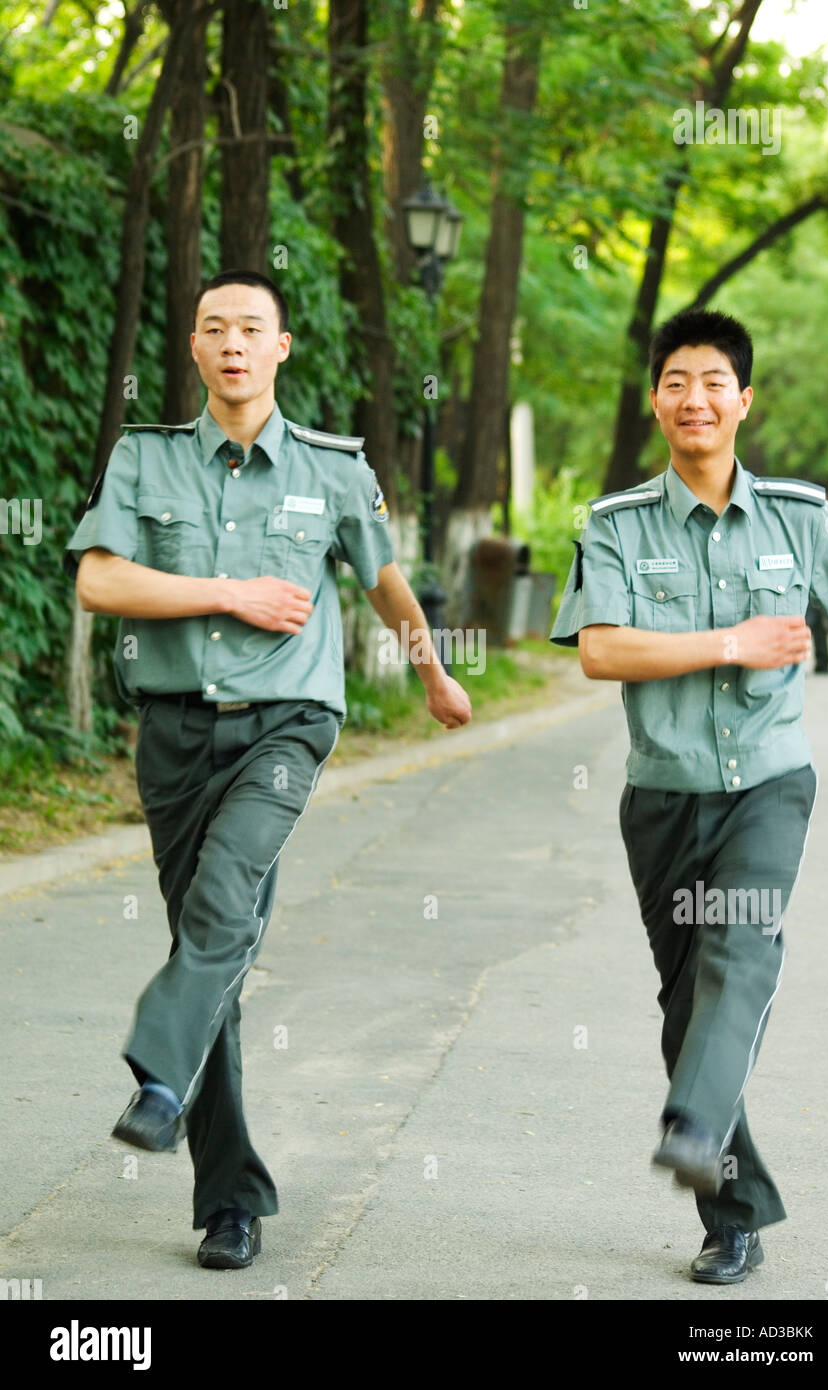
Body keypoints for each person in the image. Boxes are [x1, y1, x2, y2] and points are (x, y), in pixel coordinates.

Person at [63, 269, 472, 1270]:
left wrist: (431, 672)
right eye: (215, 328)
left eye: (252, 327)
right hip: (172, 733)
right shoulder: (146, 463)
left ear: (280, 347)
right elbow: (99, 578)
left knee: (222, 898)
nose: (234, 342)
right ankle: (230, 1196)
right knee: (214, 958)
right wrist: (228, 591)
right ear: (195, 349)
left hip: (288, 725)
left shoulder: (332, 469)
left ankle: (157, 1071)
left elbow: (385, 583)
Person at [550, 308, 828, 1285]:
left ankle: (691, 1125)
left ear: (742, 399)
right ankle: (731, 1214)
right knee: (686, 1008)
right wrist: (732, 642)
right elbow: (600, 647)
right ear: (656, 400)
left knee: (737, 950)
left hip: (768, 784)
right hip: (661, 796)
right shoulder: (614, 525)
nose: (694, 399)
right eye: (675, 382)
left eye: (712, 383)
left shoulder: (800, 517)